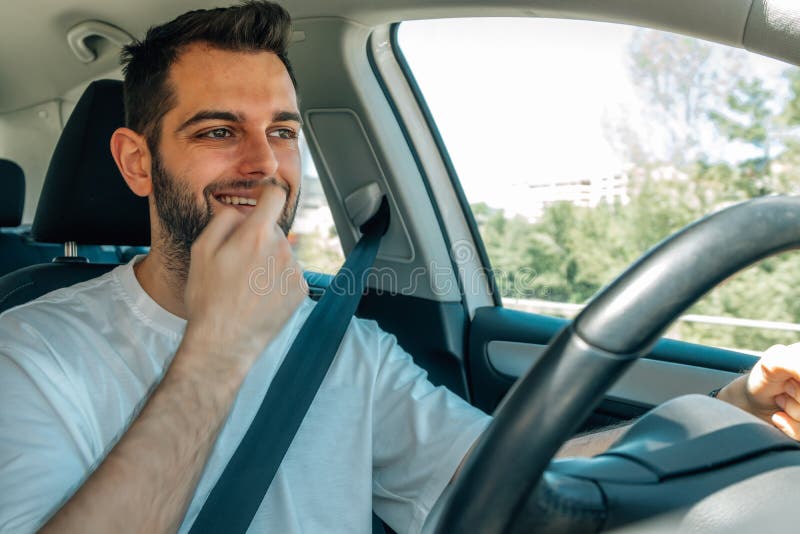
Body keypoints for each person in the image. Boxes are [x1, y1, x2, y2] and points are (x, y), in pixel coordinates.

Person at [0, 2, 798, 533]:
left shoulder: (341, 346)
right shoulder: (30, 356)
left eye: (280, 131)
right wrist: (218, 352)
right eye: (216, 132)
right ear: (138, 164)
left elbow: (499, 471)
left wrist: (726, 412)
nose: (262, 164)